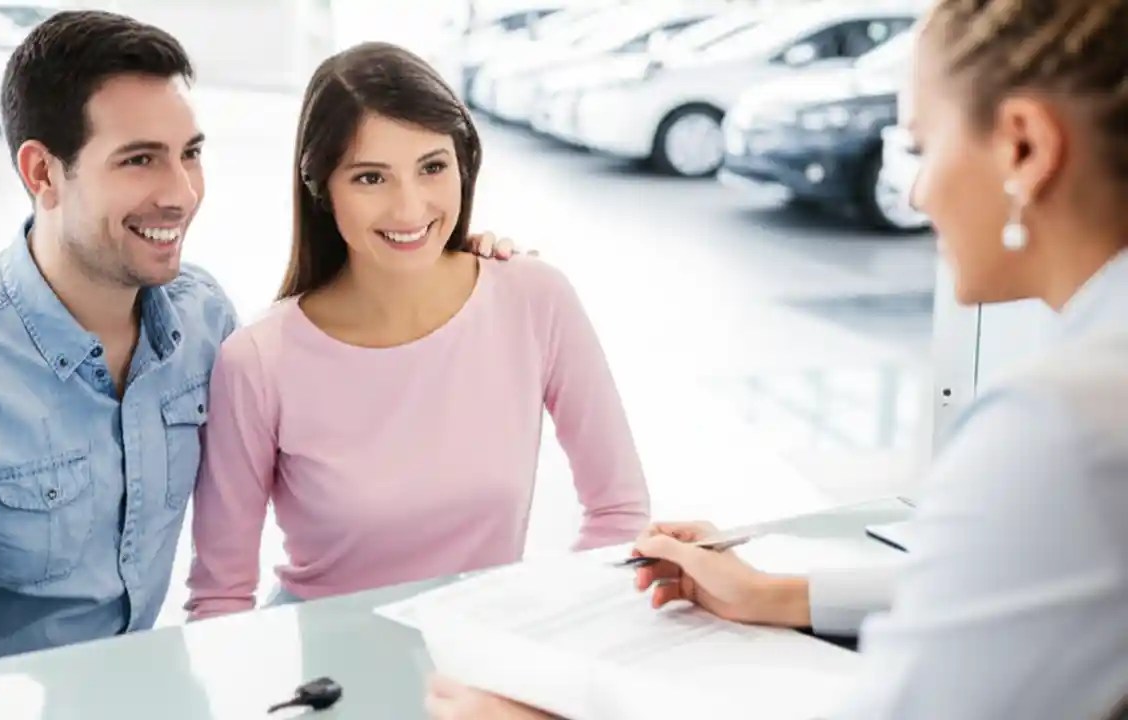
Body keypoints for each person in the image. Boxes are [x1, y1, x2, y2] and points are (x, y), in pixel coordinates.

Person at [425, 0, 1128, 717]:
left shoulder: (1061, 424)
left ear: (1024, 148)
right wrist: (780, 594)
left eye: (921, 146)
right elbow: (1015, 576)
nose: (917, 191)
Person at [0, 11, 517, 685]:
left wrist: (444, 262)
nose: (181, 193)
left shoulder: (201, 322)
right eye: (140, 159)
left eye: (189, 153)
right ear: (43, 174)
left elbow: (337, 433)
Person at [182, 42, 651, 617]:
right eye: (371, 177)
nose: (410, 208)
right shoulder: (257, 360)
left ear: (464, 166)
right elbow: (219, 598)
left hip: (487, 666)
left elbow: (619, 515)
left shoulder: (532, 297)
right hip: (331, 679)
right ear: (322, 188)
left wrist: (542, 625)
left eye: (432, 167)